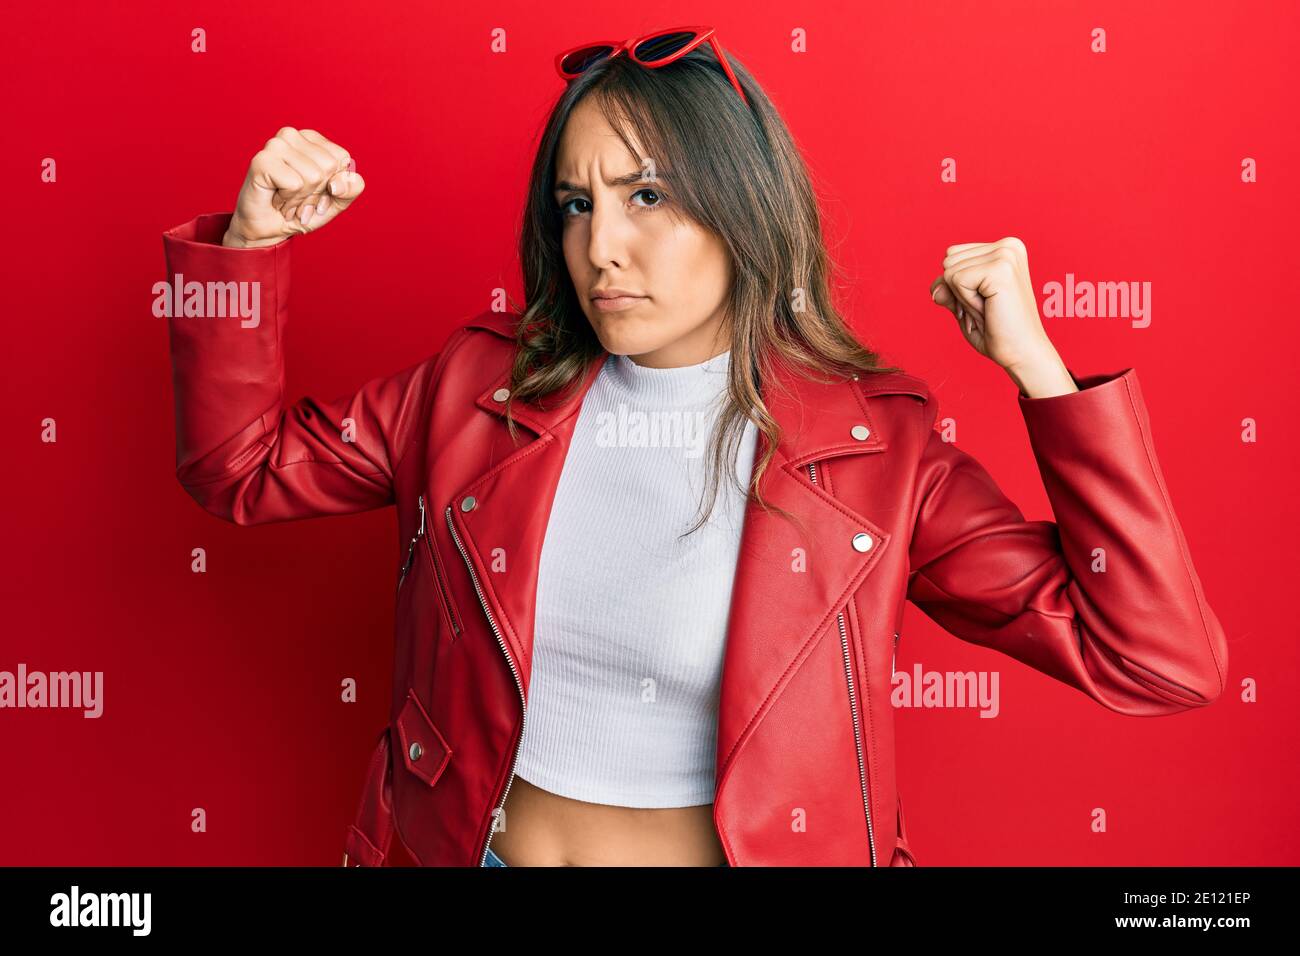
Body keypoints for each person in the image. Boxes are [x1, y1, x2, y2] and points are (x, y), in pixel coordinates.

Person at [159, 28, 1228, 867]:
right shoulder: (474, 390)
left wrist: (1040, 374)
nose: (599, 246)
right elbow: (237, 470)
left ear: (741, 210)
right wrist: (248, 247)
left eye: (647, 197)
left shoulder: (871, 452)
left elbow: (1157, 659)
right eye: (576, 204)